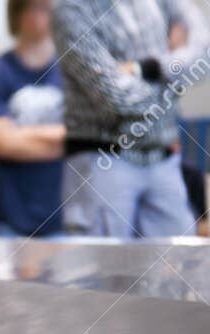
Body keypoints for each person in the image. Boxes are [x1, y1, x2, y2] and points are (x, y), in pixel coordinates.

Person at [54, 0, 209, 239]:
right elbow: (115, 96)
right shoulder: (72, 8)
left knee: (176, 269)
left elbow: (204, 57)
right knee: (100, 271)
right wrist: (176, 75)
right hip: (104, 159)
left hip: (162, 161)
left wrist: (148, 68)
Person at [0, 0, 65, 238]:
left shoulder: (69, 73)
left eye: (49, 8)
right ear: (17, 13)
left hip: (59, 216)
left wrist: (20, 135)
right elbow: (1, 143)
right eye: (36, 7)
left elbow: (80, 137)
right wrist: (58, 138)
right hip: (7, 215)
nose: (44, 16)